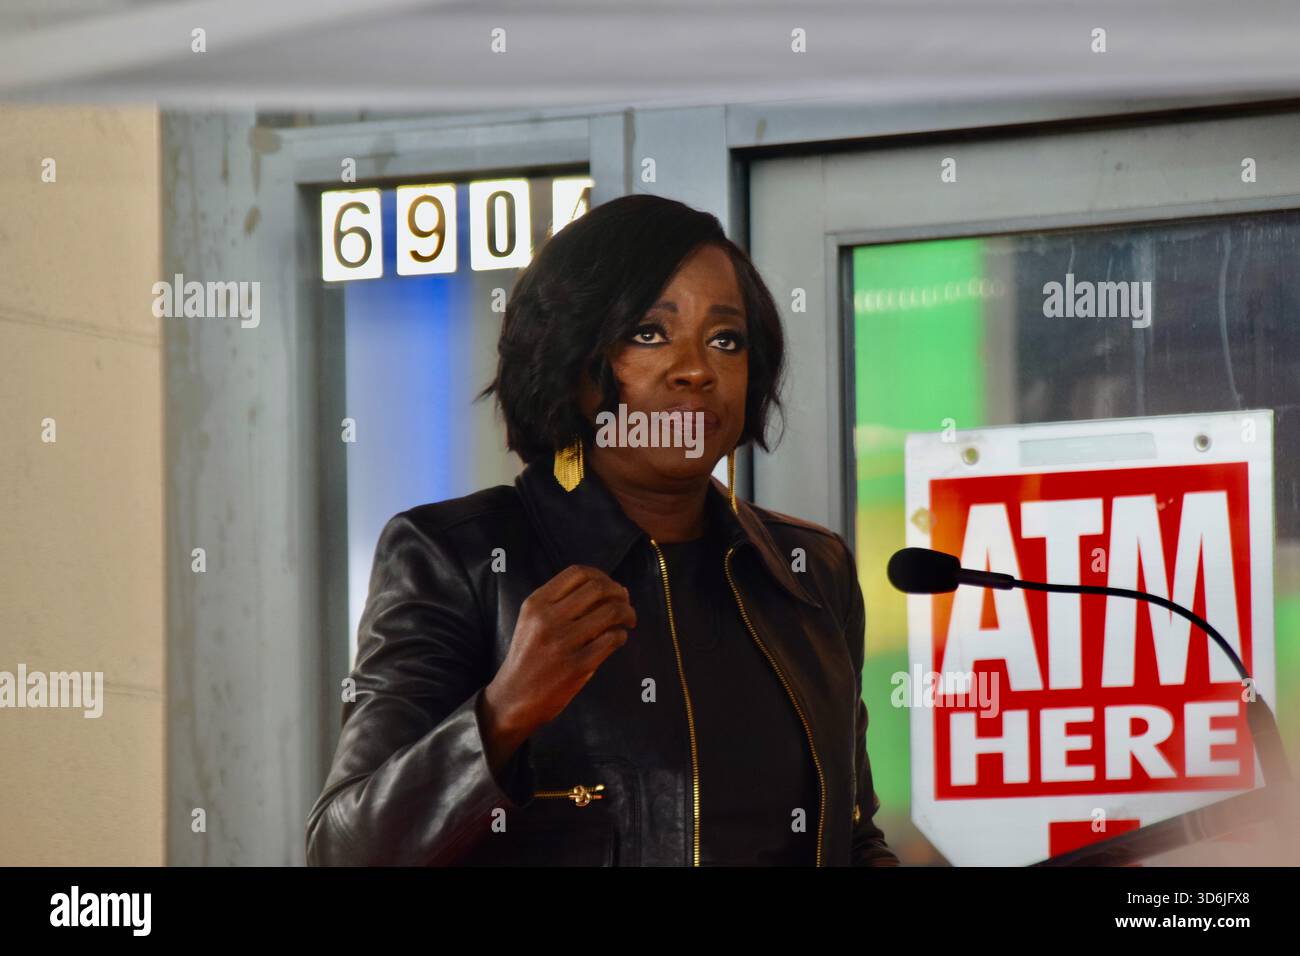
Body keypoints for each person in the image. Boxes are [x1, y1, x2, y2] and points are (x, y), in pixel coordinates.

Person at [304, 192, 898, 866]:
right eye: (649, 333)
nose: (697, 368)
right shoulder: (457, 558)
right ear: (570, 357)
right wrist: (502, 715)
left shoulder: (807, 570)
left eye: (725, 339)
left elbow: (850, 834)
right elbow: (343, 850)